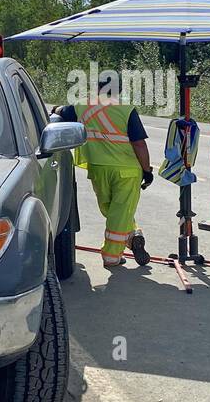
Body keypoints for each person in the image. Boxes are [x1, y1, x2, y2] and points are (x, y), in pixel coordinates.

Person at [54, 74, 154, 268]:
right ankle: (111, 255)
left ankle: (132, 237)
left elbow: (61, 112)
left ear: (97, 88)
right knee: (120, 210)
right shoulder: (126, 110)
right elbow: (139, 144)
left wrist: (56, 109)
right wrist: (147, 170)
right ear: (120, 90)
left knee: (110, 209)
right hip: (127, 170)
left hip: (98, 168)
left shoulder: (83, 106)